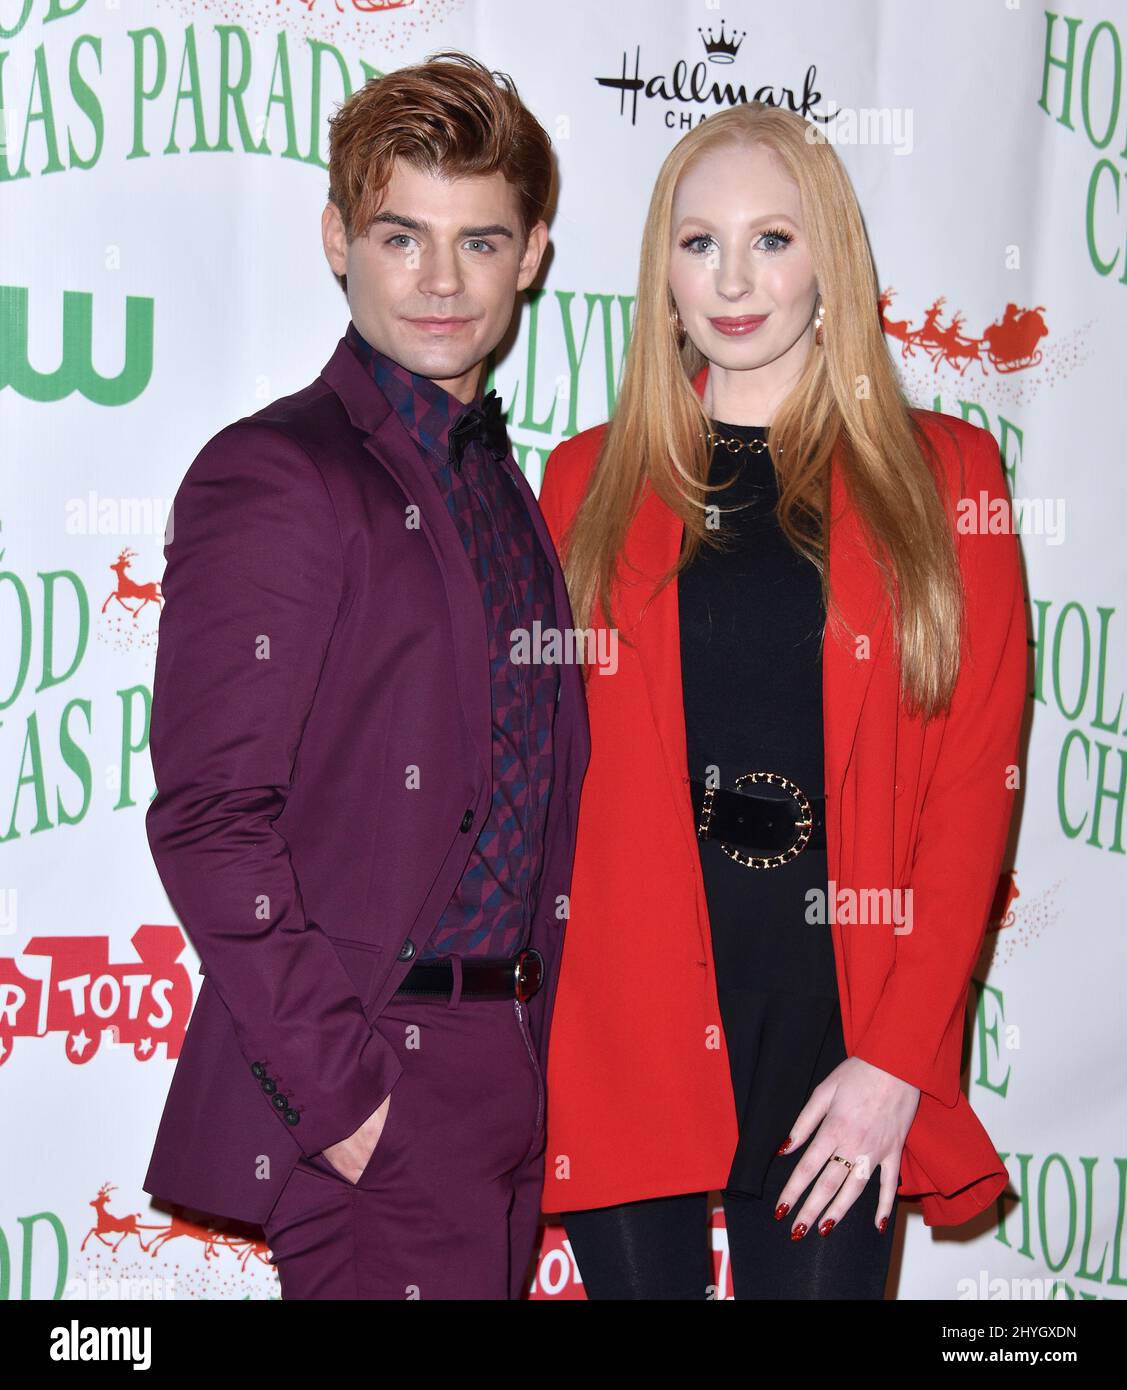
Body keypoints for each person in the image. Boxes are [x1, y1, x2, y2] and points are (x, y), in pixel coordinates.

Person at [536, 101, 1027, 1300]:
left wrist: (896, 1058)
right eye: (697, 241)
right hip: (627, 1015)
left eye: (771, 238)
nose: (733, 279)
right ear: (661, 268)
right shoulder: (586, 477)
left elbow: (972, 788)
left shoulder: (943, 476)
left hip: (833, 1025)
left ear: (831, 262)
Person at [142, 51, 590, 1300]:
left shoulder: (504, 486)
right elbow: (210, 815)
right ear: (337, 238)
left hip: (507, 1062)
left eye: (480, 240)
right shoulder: (276, 472)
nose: (441, 280)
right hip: (379, 1072)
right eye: (402, 235)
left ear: (534, 253)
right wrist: (343, 1097)